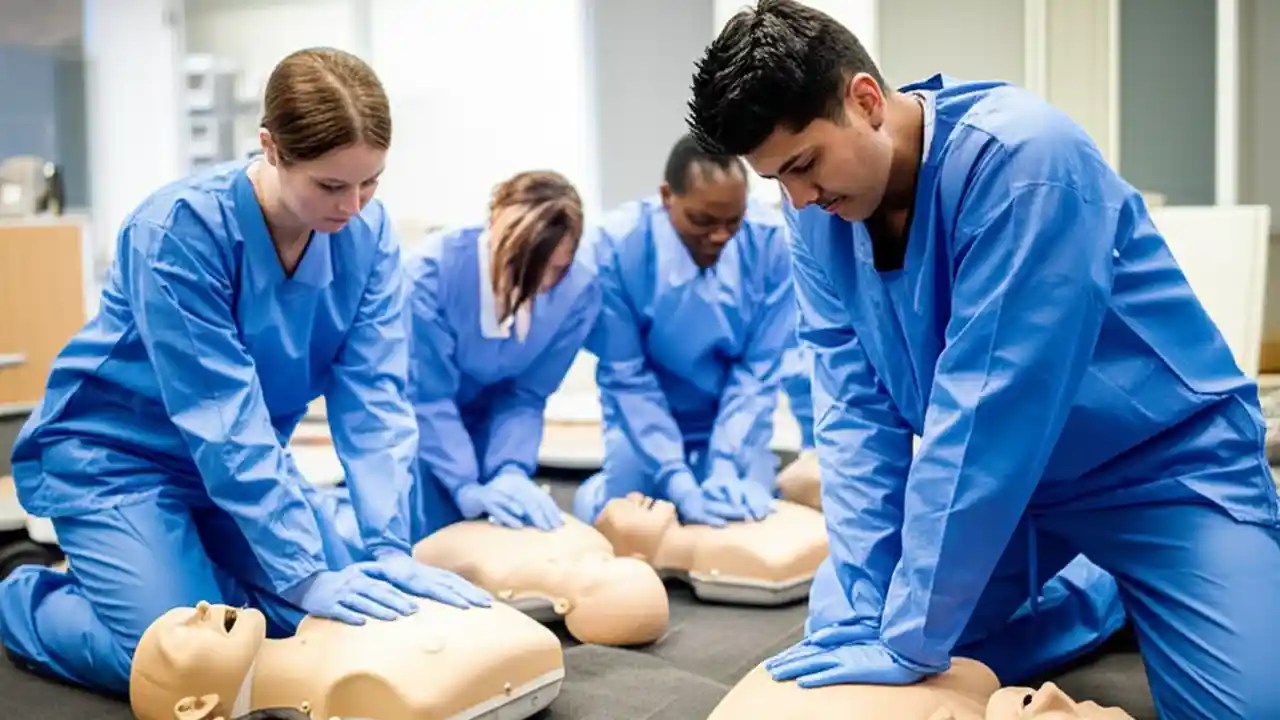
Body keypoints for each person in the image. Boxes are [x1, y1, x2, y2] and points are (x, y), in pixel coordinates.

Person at [686, 1, 1280, 718]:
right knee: (847, 661)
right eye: (778, 178)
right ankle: (1099, 592)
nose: (800, 198)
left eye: (804, 164)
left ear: (866, 100)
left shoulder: (1028, 162)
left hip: (1157, 476)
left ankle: (1159, 569)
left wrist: (910, 636)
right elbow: (851, 409)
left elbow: (990, 408)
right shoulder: (816, 213)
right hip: (1007, 499)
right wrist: (867, 610)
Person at [0, 47, 490, 696]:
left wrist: (389, 547)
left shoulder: (367, 236)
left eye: (371, 182)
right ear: (271, 148)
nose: (353, 206)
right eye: (331, 185)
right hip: (119, 461)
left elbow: (375, 400)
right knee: (187, 665)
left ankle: (175, 571)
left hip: (237, 470)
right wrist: (300, 572)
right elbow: (220, 415)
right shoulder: (178, 230)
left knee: (349, 617)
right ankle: (26, 599)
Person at [572, 134, 813, 528]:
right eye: (702, 221)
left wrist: (724, 463)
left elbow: (758, 371)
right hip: (643, 418)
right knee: (624, 520)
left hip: (734, 416)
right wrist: (675, 476)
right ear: (667, 196)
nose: (718, 235)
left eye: (731, 222)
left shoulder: (770, 245)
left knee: (749, 517)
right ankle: (596, 492)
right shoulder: (616, 248)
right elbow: (627, 377)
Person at [400, 170, 600, 538]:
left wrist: (510, 468)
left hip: (491, 431)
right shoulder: (432, 275)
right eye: (522, 265)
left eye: (555, 269)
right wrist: (463, 483)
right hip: (421, 437)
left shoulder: (578, 290)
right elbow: (427, 397)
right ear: (494, 223)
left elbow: (526, 394)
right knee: (431, 542)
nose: (539, 284)